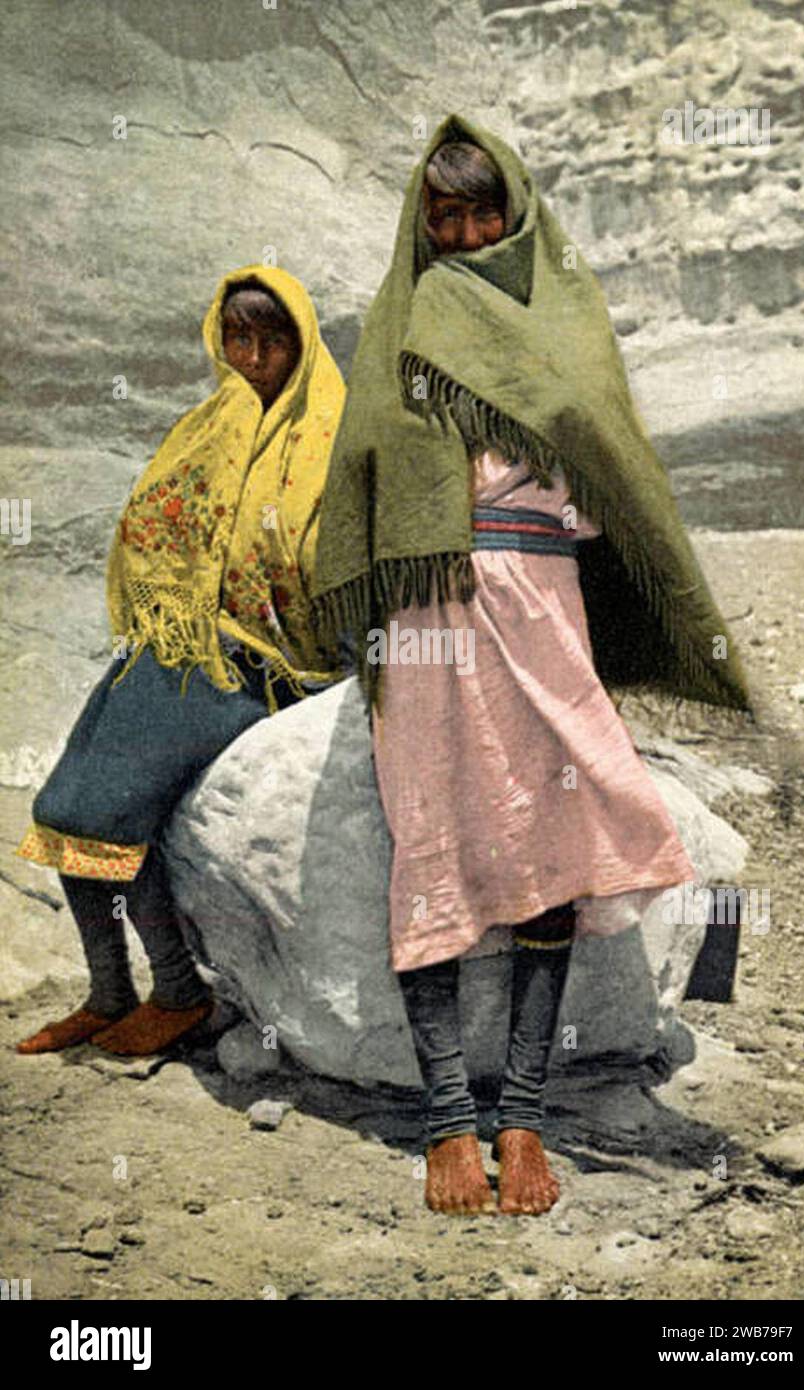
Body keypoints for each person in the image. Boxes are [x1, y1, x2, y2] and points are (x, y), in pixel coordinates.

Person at [310, 116, 754, 1217]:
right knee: (436, 836)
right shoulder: (397, 323)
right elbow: (359, 476)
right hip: (427, 618)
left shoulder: (564, 313)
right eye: (442, 217)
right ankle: (450, 1120)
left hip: (543, 602)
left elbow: (613, 470)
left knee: (552, 839)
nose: (462, 236)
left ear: (514, 213)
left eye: (481, 213)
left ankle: (528, 1116)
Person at [15, 264, 346, 1057]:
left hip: (262, 666)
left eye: (272, 340)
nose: (253, 356)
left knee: (105, 814)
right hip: (179, 641)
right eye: (238, 337)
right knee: (59, 809)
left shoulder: (328, 439)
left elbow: (330, 574)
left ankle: (177, 993)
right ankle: (106, 993)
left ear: (300, 348)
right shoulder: (206, 427)